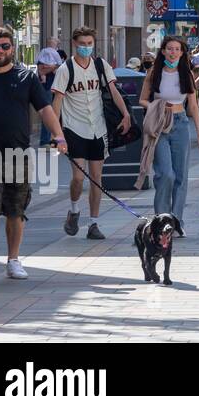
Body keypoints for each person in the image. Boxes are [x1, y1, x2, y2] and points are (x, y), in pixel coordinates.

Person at [0, 27, 67, 284]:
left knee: (16, 211)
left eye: (5, 46)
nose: (0, 51)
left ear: (12, 49)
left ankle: (13, 260)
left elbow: (45, 109)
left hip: (18, 153)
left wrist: (59, 136)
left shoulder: (26, 78)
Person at [52, 26, 132, 240]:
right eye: (82, 44)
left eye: (89, 43)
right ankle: (74, 210)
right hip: (74, 128)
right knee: (78, 177)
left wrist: (126, 113)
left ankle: (94, 223)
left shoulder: (100, 65)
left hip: (98, 128)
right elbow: (57, 102)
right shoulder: (65, 69)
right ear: (74, 44)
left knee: (97, 178)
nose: (86, 47)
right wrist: (57, 134)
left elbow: (114, 91)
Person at [139, 35, 199, 230]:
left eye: (177, 49)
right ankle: (161, 219)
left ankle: (176, 221)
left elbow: (193, 106)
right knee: (165, 173)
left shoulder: (186, 74)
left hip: (181, 123)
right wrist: (156, 105)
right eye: (170, 48)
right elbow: (142, 99)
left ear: (182, 52)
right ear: (162, 51)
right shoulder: (154, 72)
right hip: (160, 124)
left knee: (180, 176)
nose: (173, 52)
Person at [32, 47, 63, 146]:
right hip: (47, 89)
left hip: (54, 88)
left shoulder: (54, 59)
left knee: (54, 114)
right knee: (49, 114)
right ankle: (45, 140)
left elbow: (58, 68)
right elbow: (42, 71)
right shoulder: (43, 60)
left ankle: (51, 139)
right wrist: (52, 67)